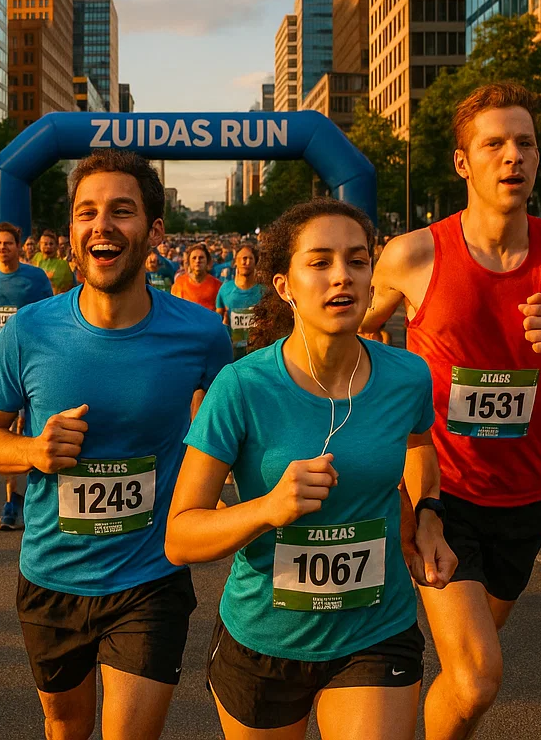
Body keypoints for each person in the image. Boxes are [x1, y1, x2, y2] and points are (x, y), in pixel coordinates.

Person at [361, 83, 541, 740]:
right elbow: (339, 345)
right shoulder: (414, 255)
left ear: (539, 158)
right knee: (479, 674)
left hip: (525, 501)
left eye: (526, 143)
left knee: (463, 680)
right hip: (438, 498)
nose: (513, 157)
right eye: (495, 144)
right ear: (463, 163)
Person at [166, 198, 456, 739]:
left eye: (357, 261)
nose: (341, 276)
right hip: (266, 640)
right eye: (319, 262)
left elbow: (418, 450)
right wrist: (268, 507)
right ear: (285, 287)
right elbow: (180, 535)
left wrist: (431, 514)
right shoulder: (241, 387)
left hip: (377, 628)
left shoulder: (408, 376)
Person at [0, 151, 233, 740]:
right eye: (87, 212)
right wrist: (33, 451)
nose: (102, 225)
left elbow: (236, 432)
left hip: (151, 575)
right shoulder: (29, 330)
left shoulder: (200, 333)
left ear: (155, 231)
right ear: (71, 234)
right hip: (52, 574)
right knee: (66, 726)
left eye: (122, 210)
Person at [0, 222, 52, 530]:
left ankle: (26, 495)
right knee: (2, 429)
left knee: (25, 426)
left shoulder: (36, 277)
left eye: (8, 243)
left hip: (32, 359)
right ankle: (10, 498)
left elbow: (49, 313)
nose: (3, 248)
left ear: (18, 246)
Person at [215, 244, 267, 360]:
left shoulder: (265, 291)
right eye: (243, 258)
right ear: (235, 262)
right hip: (233, 352)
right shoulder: (225, 289)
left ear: (256, 262)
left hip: (259, 352)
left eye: (250, 258)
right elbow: (217, 320)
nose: (246, 262)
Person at [171, 244, 221, 311]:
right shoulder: (180, 283)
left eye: (201, 258)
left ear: (207, 261)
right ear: (189, 262)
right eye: (194, 258)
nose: (197, 261)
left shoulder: (217, 285)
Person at [32, 229, 75, 294]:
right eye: (45, 244)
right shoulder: (36, 257)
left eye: (51, 244)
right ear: (40, 245)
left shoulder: (62, 264)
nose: (48, 246)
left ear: (56, 246)